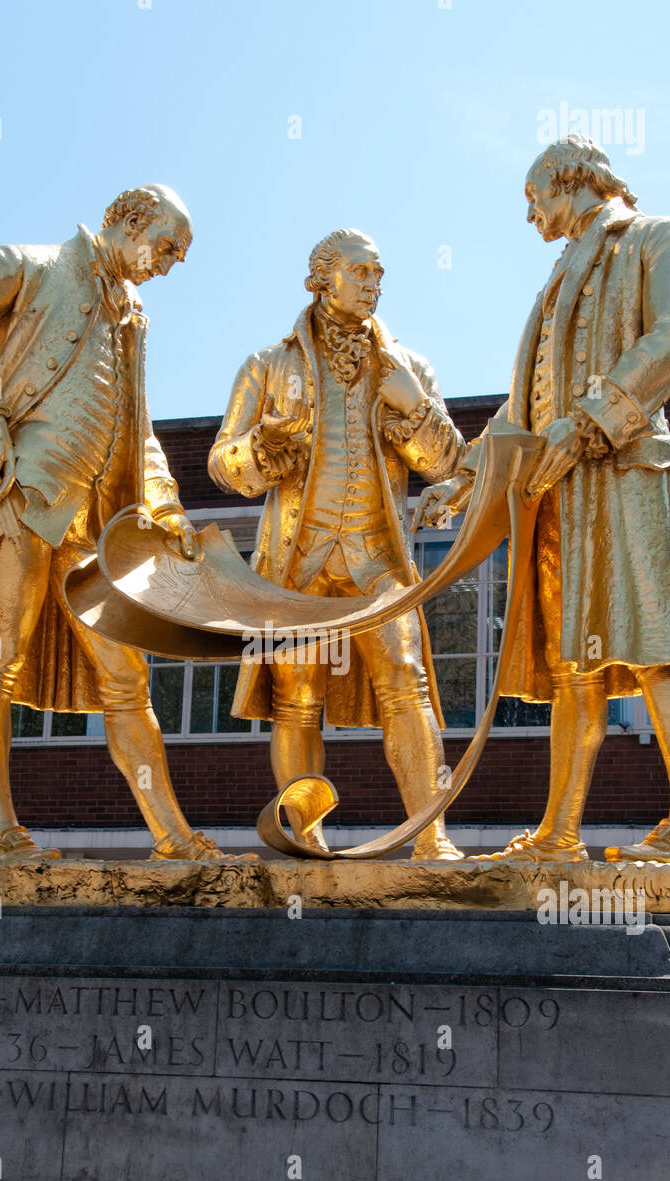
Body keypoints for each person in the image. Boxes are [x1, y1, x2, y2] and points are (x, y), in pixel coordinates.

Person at [0, 184, 237, 864]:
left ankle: (173, 838)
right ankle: (3, 838)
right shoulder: (24, 263)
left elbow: (136, 428)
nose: (169, 263)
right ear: (129, 221)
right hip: (20, 501)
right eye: (166, 246)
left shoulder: (132, 315)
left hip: (94, 528)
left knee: (129, 679)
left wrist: (164, 508)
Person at [417, 136, 670, 866]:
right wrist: (463, 477)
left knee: (659, 646)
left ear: (572, 179)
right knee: (571, 667)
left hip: (624, 471)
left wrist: (589, 421)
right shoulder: (555, 282)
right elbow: (522, 410)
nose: (532, 218)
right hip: (558, 493)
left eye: (536, 198)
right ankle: (557, 834)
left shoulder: (660, 237)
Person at [209, 228, 472, 858]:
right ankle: (308, 843)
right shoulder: (268, 365)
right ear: (322, 278)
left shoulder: (407, 367)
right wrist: (262, 448)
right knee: (297, 703)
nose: (375, 283)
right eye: (361, 272)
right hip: (295, 563)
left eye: (380, 273)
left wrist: (412, 408)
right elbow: (224, 464)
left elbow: (449, 464)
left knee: (407, 682)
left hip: (377, 558)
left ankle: (430, 838)